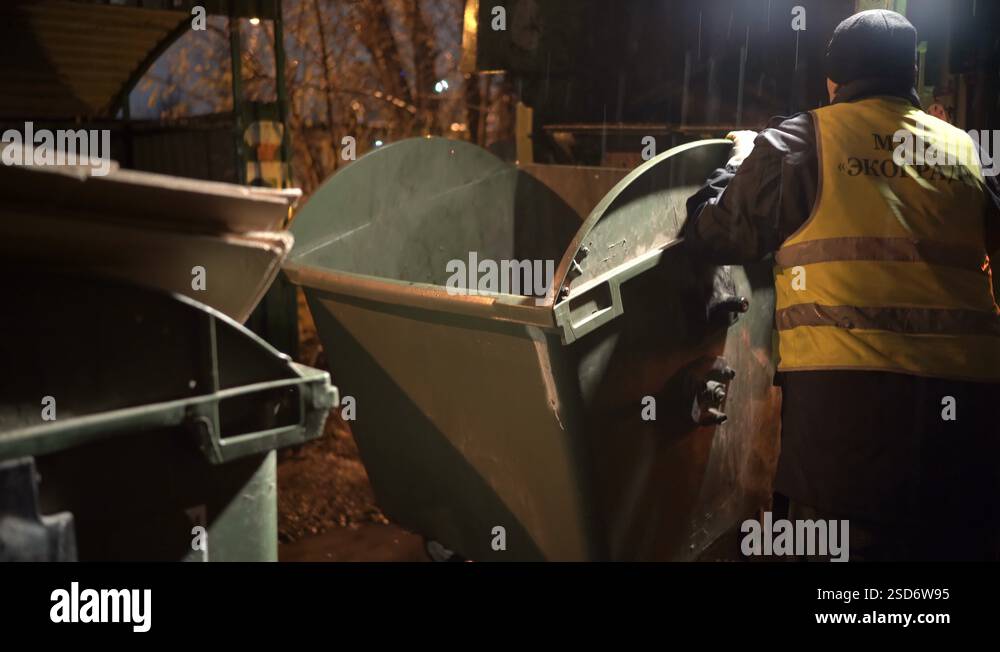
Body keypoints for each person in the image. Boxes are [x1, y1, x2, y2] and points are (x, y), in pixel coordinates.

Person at [684, 9, 1000, 561]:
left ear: (833, 80)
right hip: (969, 427)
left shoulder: (802, 141)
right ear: (912, 78)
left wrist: (739, 160)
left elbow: (715, 232)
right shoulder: (964, 153)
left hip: (846, 430)